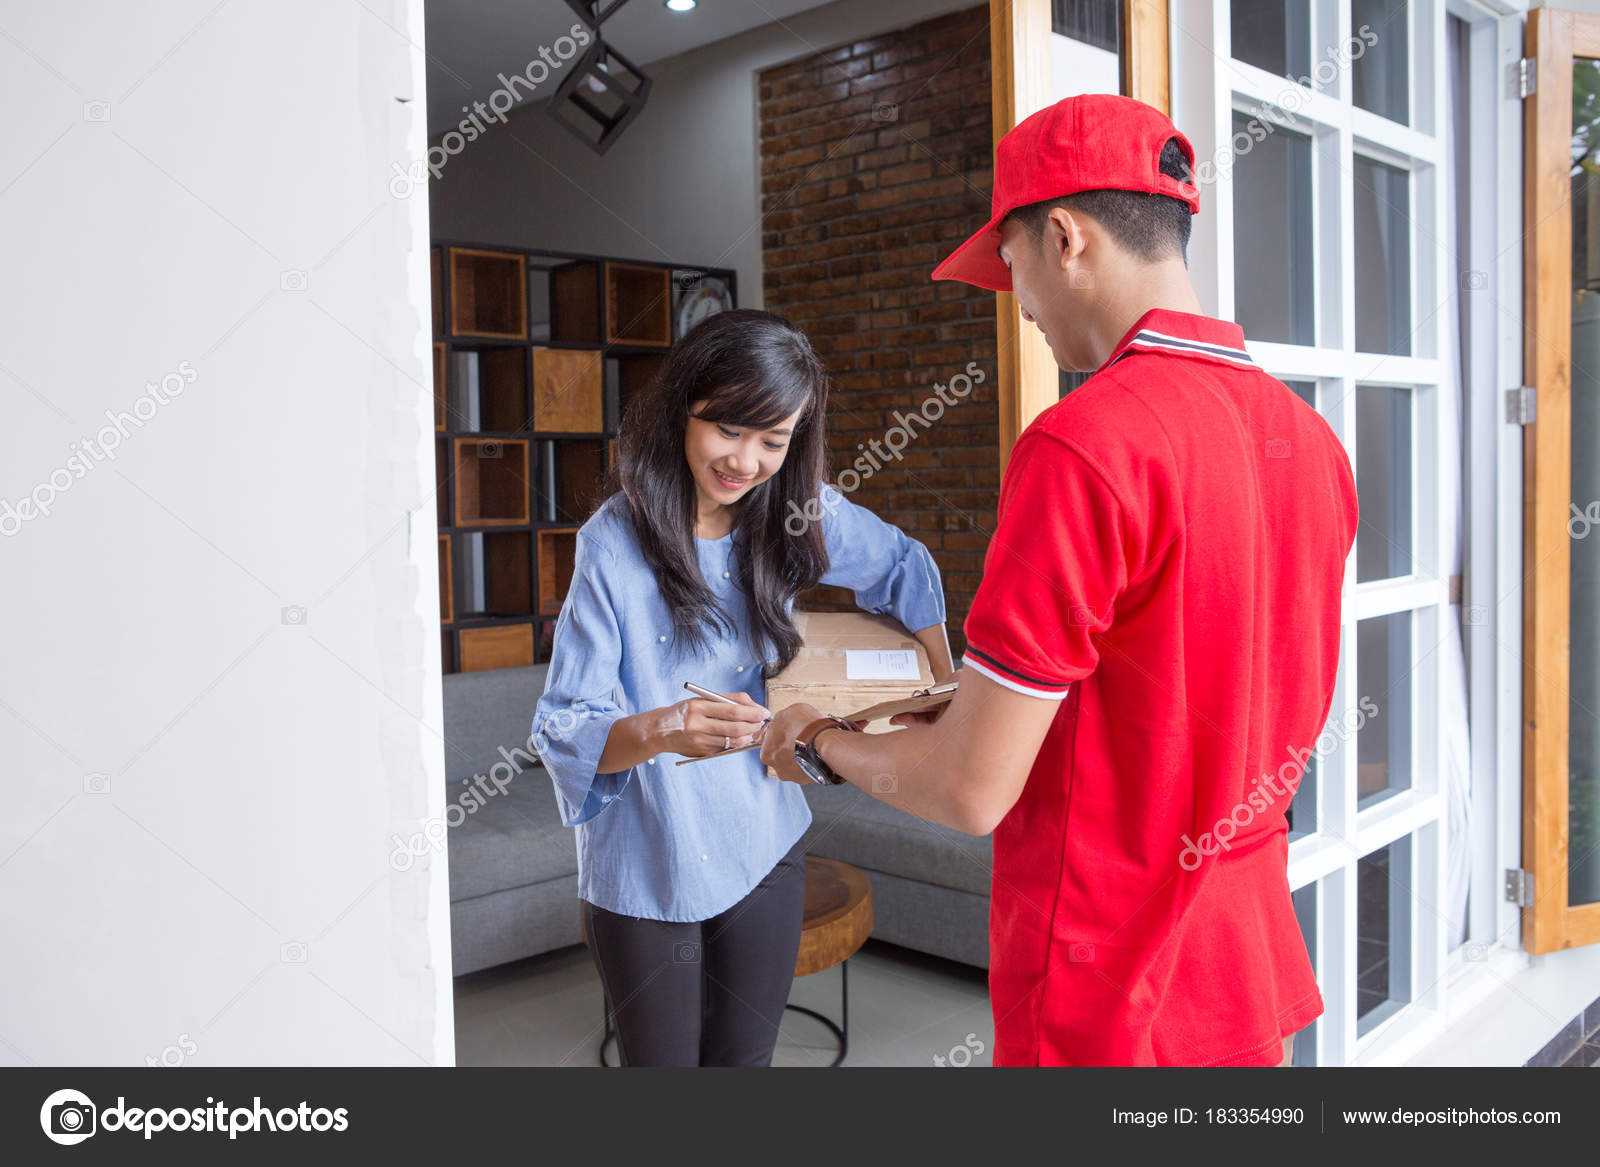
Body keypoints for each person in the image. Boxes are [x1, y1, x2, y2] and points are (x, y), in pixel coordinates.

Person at [762, 94, 1358, 1067]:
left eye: (1011, 267)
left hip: (1111, 988)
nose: (1019, 304)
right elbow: (1190, 680)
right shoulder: (1309, 442)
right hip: (1242, 962)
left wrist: (819, 740)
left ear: (1066, 237)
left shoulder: (1085, 445)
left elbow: (967, 794)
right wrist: (974, 706)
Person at [532, 308, 953, 1067]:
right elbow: (566, 724)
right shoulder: (612, 542)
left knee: (745, 1065)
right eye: (729, 428)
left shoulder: (795, 513)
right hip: (645, 856)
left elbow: (902, 566)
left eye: (773, 440)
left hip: (762, 838)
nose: (746, 460)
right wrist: (664, 727)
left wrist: (938, 681)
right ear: (682, 406)